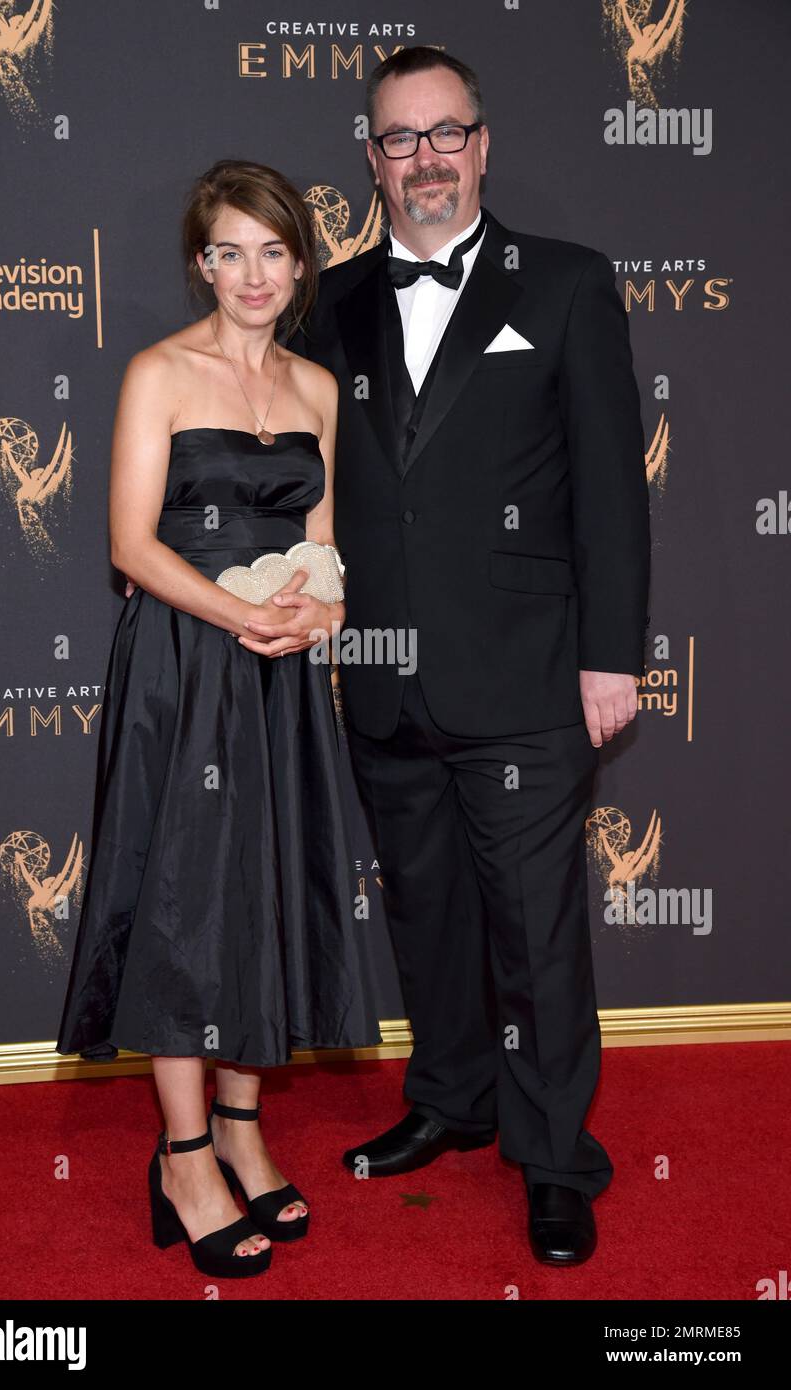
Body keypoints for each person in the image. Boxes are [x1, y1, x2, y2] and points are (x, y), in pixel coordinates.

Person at [279, 46, 651, 1265]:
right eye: (400, 137)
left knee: (536, 930)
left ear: (482, 145)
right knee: (428, 913)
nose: (426, 157)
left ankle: (554, 1159)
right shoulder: (326, 301)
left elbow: (611, 489)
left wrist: (611, 656)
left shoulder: (565, 285)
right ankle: (450, 1098)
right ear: (370, 155)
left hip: (531, 675)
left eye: (447, 133)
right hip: (383, 676)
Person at [56, 159, 381, 1279]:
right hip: (186, 662)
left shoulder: (315, 390)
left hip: (280, 670)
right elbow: (131, 546)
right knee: (188, 898)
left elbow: (326, 544)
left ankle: (244, 1128)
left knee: (267, 888)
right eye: (228, 252)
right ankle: (185, 1156)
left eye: (272, 251)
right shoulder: (160, 372)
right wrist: (238, 614)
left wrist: (320, 612)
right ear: (202, 262)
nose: (252, 274)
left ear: (301, 261)